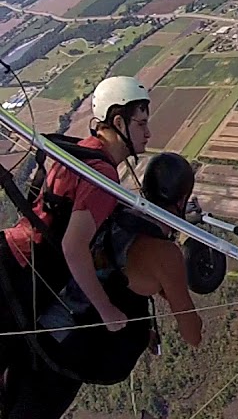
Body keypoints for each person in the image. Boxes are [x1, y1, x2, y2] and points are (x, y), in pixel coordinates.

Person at [2, 152, 202, 419]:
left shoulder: (116, 213)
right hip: (64, 354)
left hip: (40, 328)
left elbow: (120, 274)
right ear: (182, 199)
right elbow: (192, 335)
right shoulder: (165, 255)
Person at [0, 76, 151, 402]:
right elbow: (73, 246)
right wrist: (106, 309)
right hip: (18, 274)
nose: (148, 133)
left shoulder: (79, 151)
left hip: (12, 259)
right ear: (119, 121)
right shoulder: (103, 175)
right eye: (141, 123)